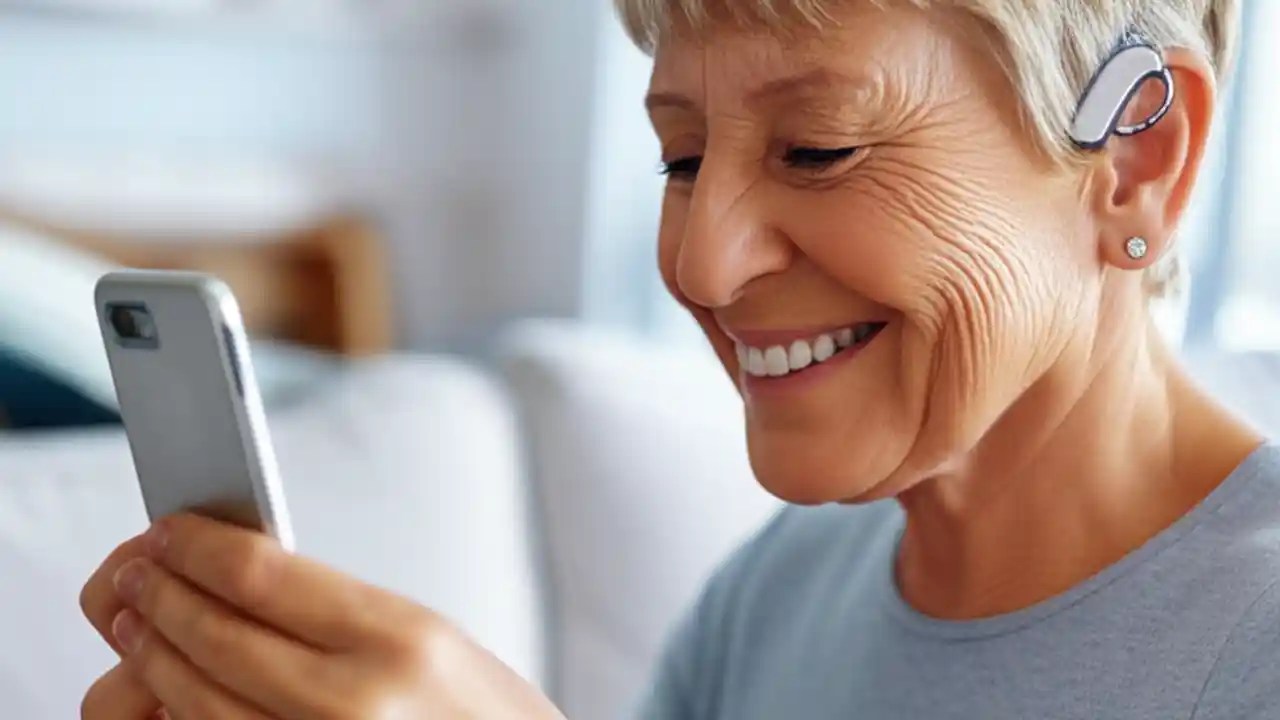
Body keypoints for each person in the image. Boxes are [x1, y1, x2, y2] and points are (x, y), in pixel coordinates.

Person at [78, 1, 1278, 718]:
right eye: (682, 159)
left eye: (817, 148)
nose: (702, 265)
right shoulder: (775, 595)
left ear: (1133, 158)